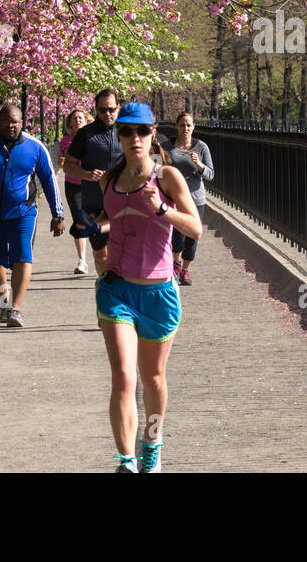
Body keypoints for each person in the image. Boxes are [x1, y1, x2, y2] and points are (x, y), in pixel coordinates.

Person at [94, 102, 202, 473]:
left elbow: (195, 228)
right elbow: (117, 220)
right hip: (117, 291)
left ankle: (152, 444)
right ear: (118, 135)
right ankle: (125, 461)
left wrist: (162, 210)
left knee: (153, 378)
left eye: (141, 131)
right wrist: (96, 228)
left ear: (153, 132)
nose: (134, 138)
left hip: (159, 294)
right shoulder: (110, 180)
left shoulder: (169, 177)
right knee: (124, 375)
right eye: (126, 131)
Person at [0, 102, 65, 327]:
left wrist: (58, 215)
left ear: (22, 122)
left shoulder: (35, 147)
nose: (11, 126)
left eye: (15, 121)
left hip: (23, 212)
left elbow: (49, 181)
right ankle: (4, 303)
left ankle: (16, 308)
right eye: (6, 121)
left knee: (22, 257)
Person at [62, 88, 122, 275]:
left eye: (111, 109)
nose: (107, 114)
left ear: (118, 108)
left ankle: (116, 295)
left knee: (117, 252)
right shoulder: (85, 134)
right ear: (95, 109)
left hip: (122, 202)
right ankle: (104, 289)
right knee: (100, 255)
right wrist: (87, 174)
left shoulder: (126, 132)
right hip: (94, 204)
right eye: (103, 110)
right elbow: (68, 165)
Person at [160, 111, 214, 286]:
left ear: (194, 127)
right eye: (182, 124)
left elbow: (210, 174)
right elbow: (156, 169)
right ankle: (175, 264)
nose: (186, 128)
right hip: (174, 197)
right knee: (177, 235)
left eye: (189, 125)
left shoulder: (201, 147)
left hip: (196, 198)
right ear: (177, 126)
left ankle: (185, 269)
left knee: (192, 237)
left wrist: (199, 165)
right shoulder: (166, 146)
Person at [58, 108, 90, 273]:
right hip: (73, 185)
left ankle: (103, 256)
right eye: (75, 118)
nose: (78, 120)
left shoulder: (92, 138)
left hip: (91, 184)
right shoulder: (65, 141)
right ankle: (82, 260)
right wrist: (62, 162)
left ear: (86, 121)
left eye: (81, 118)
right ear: (69, 123)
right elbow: (61, 162)